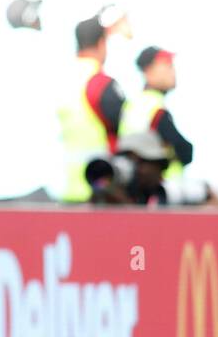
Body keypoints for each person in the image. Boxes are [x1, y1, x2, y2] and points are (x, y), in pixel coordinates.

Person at [57, 16, 126, 201]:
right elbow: (123, 129)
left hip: (68, 188)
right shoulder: (99, 82)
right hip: (100, 188)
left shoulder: (62, 80)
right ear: (102, 43)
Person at [119, 47, 194, 180]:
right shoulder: (152, 104)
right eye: (168, 66)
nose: (173, 72)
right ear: (149, 71)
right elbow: (184, 150)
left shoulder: (134, 103)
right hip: (160, 188)